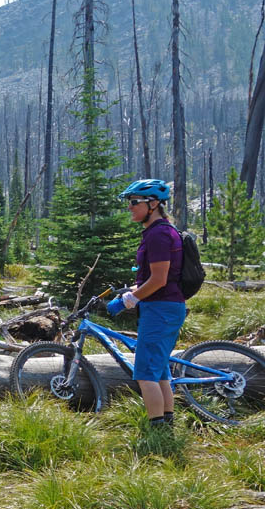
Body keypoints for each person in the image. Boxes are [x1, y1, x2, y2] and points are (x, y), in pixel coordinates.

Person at [106, 179, 186, 429]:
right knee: (159, 372)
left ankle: (156, 432)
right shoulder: (159, 231)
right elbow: (157, 277)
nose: (129, 207)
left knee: (144, 373)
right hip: (162, 307)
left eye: (134, 202)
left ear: (153, 204)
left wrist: (131, 299)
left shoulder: (159, 235)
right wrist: (133, 290)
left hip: (161, 309)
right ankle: (166, 427)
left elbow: (159, 279)